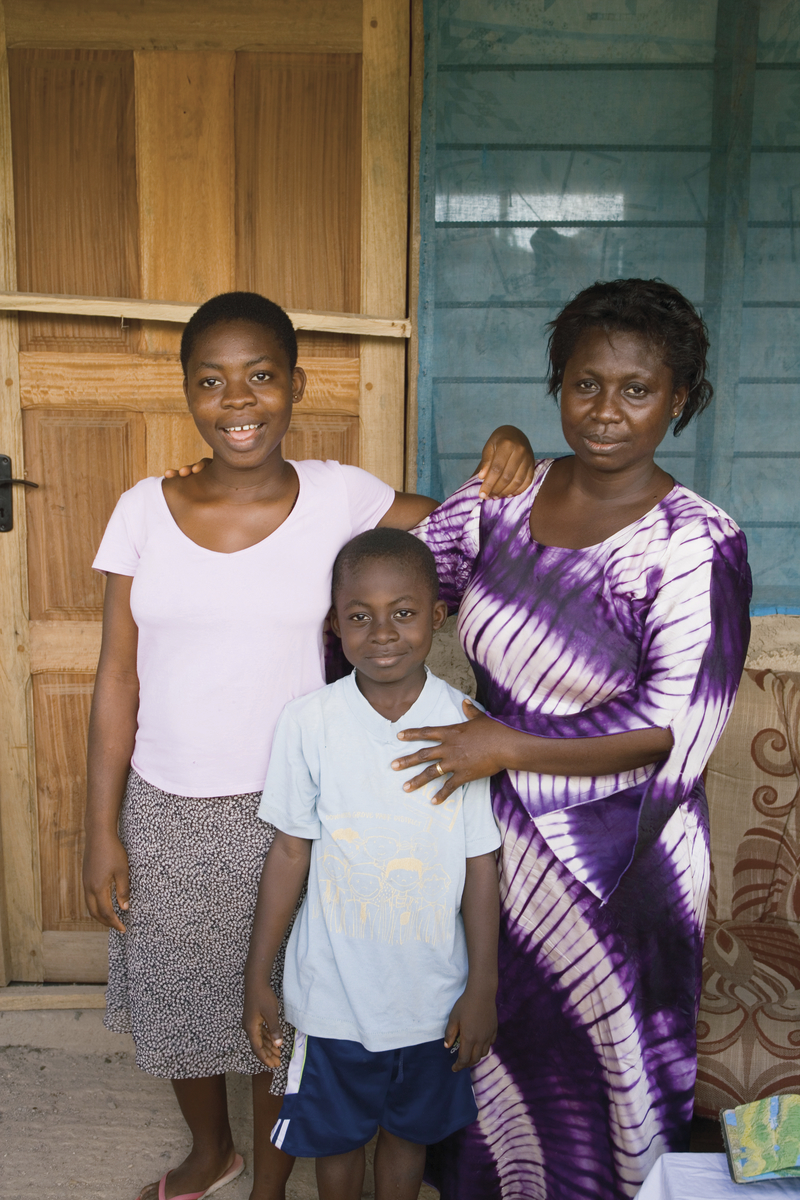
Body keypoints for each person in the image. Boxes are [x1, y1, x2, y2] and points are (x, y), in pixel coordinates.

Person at [82, 290, 534, 1200]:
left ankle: (273, 1174)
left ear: (295, 385)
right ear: (187, 392)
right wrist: (100, 828)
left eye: (259, 377)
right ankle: (214, 1154)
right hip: (169, 798)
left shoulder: (341, 496)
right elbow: (116, 677)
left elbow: (463, 522)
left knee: (289, 1002)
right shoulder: (142, 509)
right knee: (182, 992)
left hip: (304, 806)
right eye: (211, 381)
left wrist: (514, 451)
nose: (237, 401)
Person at [390, 279, 753, 1199]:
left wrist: (504, 747)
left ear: (679, 399)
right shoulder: (506, 495)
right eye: (587, 384)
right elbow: (398, 579)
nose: (607, 412)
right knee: (496, 1041)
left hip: (623, 858)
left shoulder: (696, 544)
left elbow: (676, 726)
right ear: (559, 384)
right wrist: (260, 494)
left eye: (638, 390)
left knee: (607, 1058)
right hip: (484, 836)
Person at [243, 528, 501, 1200]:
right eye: (360, 616)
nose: (382, 632)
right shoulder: (310, 723)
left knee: (407, 1142)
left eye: (404, 612)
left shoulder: (467, 728)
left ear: (437, 616)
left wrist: (482, 987)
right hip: (332, 998)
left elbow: (480, 863)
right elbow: (290, 850)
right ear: (336, 624)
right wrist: (258, 977)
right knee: (337, 1144)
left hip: (431, 998)